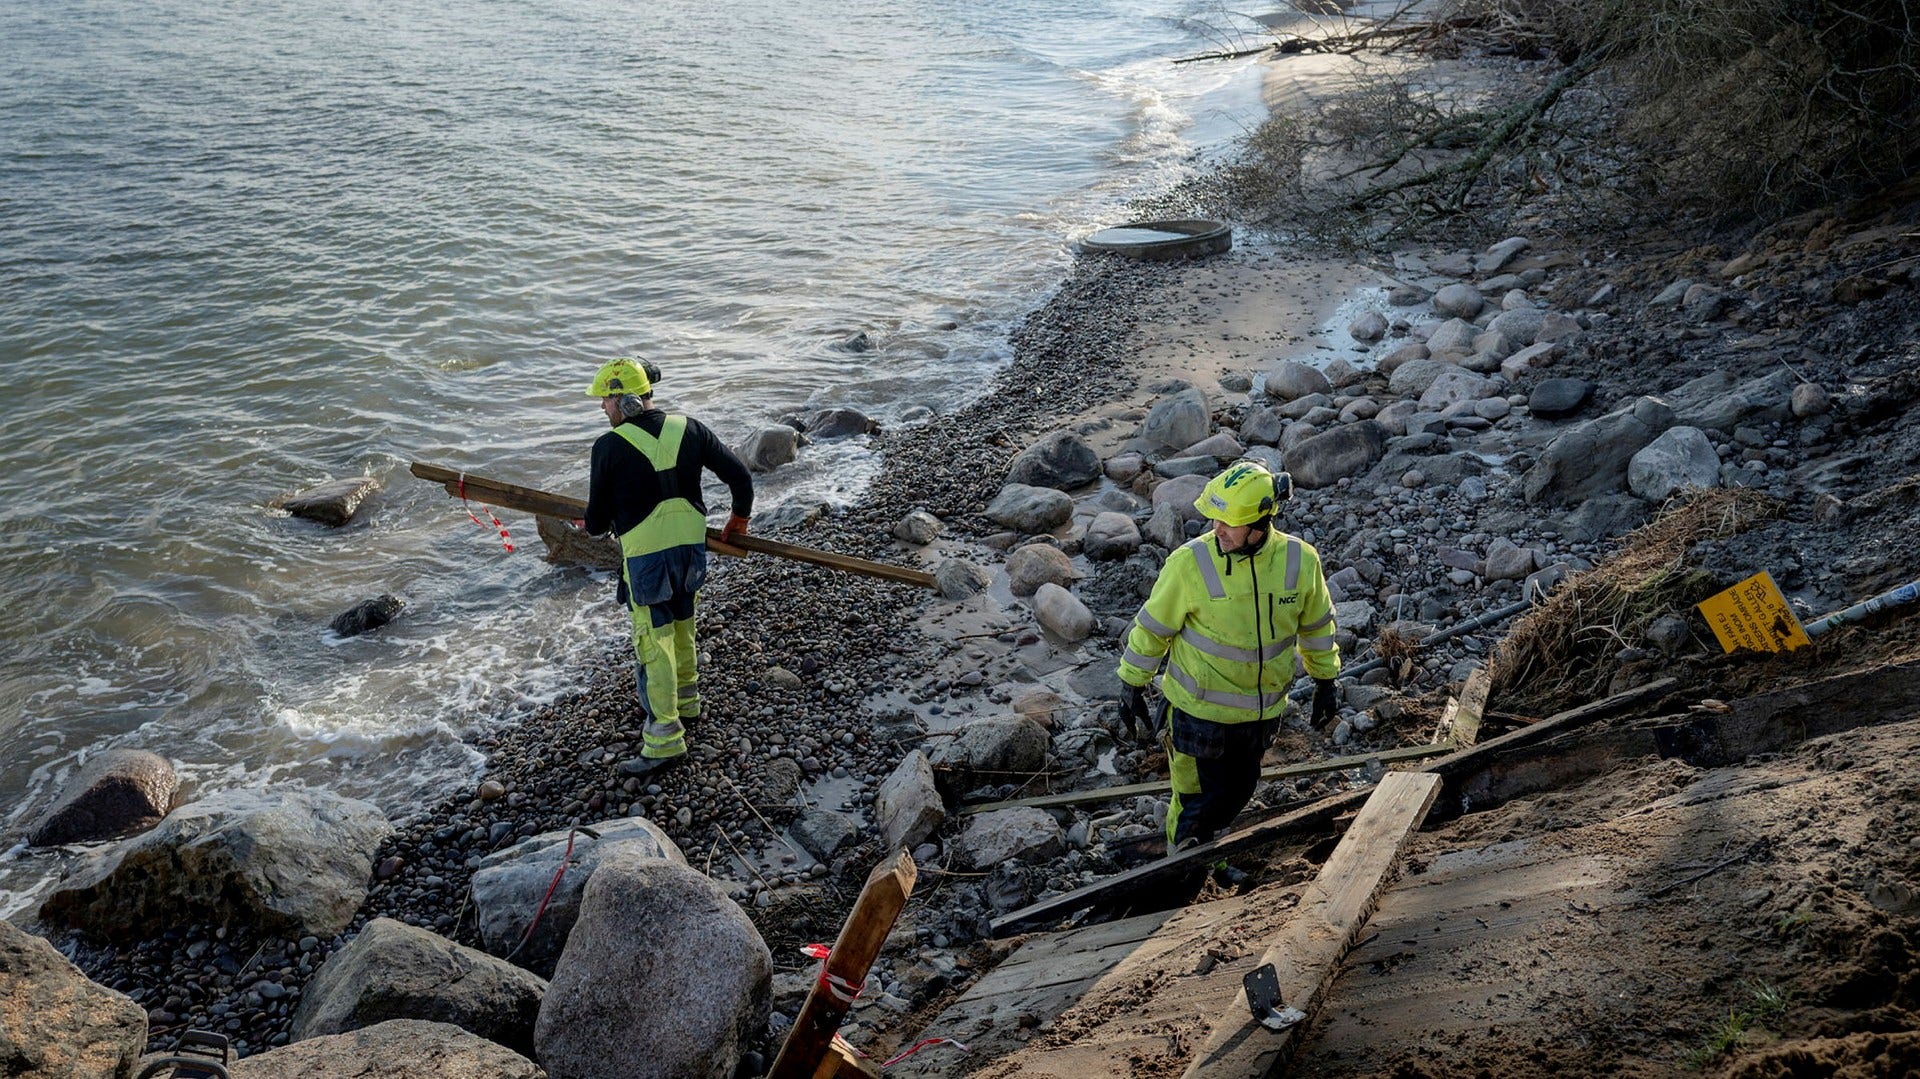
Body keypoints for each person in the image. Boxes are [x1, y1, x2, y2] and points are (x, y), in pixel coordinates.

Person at [1116, 460, 1340, 852]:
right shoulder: (1190, 563)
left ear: (1260, 524)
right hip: (1197, 716)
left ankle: (1210, 860)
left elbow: (1318, 627)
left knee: (1237, 795)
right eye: (1214, 519)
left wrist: (1326, 681)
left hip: (1259, 716)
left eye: (1227, 522)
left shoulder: (1299, 561)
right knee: (1194, 806)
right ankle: (1182, 875)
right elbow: (1153, 630)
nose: (1216, 529)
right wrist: (1131, 684)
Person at [583, 358, 753, 776]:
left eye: (605, 401)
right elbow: (740, 477)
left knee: (652, 640)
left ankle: (663, 738)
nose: (603, 410)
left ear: (624, 401)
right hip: (690, 554)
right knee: (683, 623)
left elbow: (594, 525)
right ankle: (688, 703)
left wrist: (598, 518)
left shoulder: (609, 446)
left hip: (647, 560)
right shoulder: (689, 428)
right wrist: (739, 520)